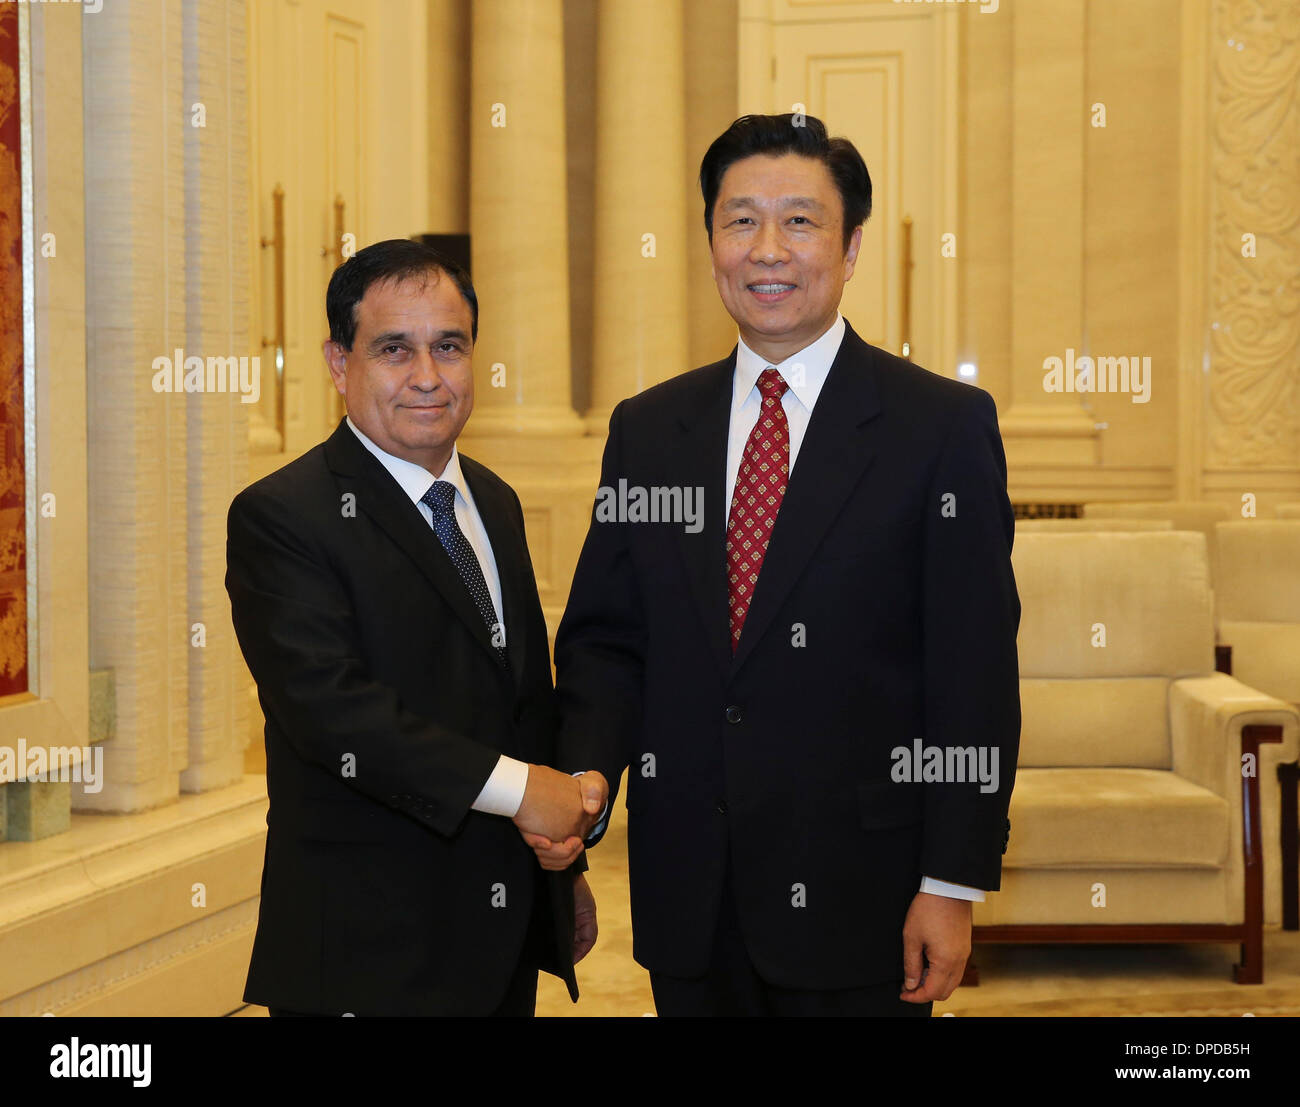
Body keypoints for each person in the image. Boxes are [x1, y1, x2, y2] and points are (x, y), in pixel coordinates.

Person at [533, 113, 1021, 1016]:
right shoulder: (649, 430)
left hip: (864, 897)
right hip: (689, 897)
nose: (767, 249)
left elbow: (974, 672)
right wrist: (588, 784)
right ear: (711, 238)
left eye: (799, 220)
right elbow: (608, 642)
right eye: (740, 219)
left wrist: (952, 880)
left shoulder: (940, 429)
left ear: (851, 244)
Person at [226, 239, 607, 1016]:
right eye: (395, 349)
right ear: (340, 364)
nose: (428, 377)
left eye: (449, 347)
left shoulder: (494, 502)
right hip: (369, 954)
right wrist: (525, 791)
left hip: (498, 939)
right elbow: (333, 714)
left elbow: (522, 699)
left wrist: (561, 871)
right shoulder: (283, 516)